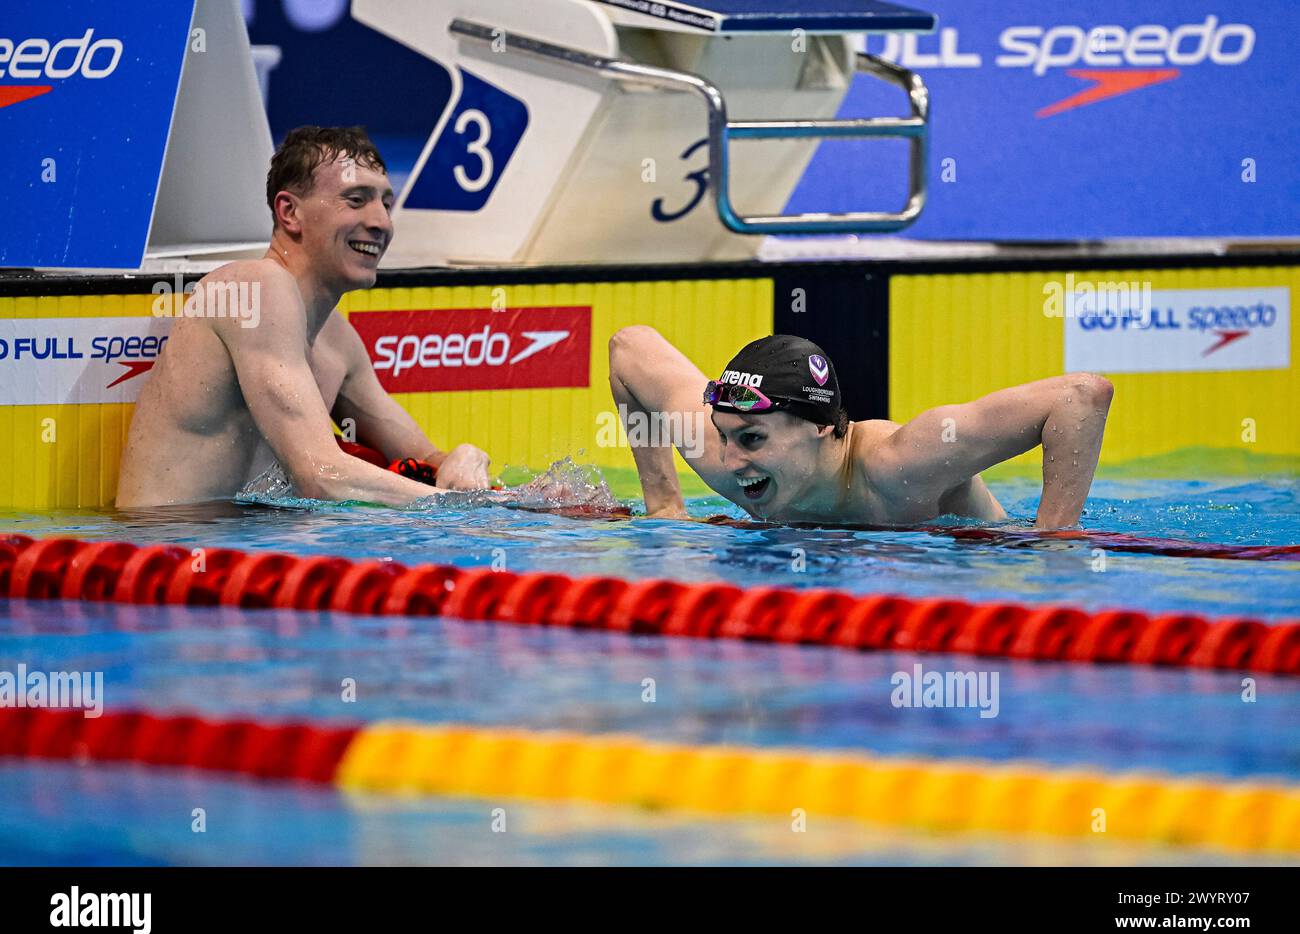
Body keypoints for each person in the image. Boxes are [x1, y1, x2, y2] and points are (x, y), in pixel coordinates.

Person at [117, 126, 490, 508]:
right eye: (356, 200)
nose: (381, 223)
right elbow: (321, 476)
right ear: (290, 212)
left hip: (251, 552)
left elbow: (424, 461)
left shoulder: (336, 341)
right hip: (168, 554)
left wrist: (462, 459)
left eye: (385, 204)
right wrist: (475, 511)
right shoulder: (251, 288)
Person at [608, 327, 1113, 528]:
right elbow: (629, 347)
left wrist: (1054, 538)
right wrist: (665, 505)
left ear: (821, 427)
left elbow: (1081, 396)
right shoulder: (729, 463)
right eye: (724, 434)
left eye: (752, 439)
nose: (730, 458)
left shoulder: (903, 464)